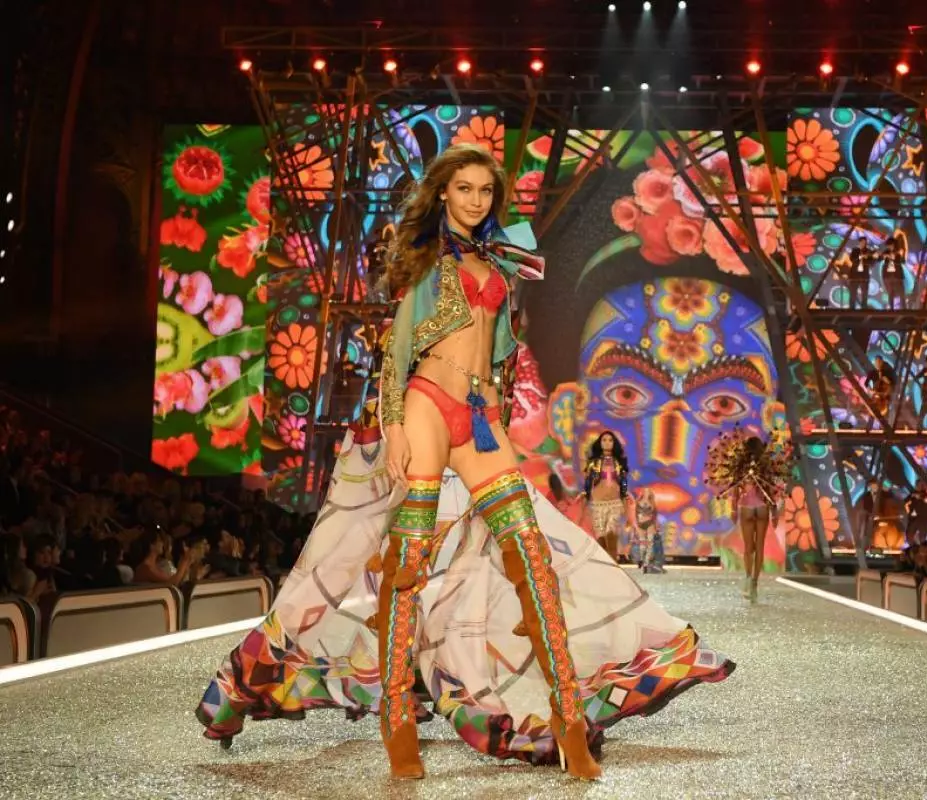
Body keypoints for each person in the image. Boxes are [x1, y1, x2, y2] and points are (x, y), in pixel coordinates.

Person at [195, 144, 734, 781]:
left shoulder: (498, 259)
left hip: (480, 415)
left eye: (485, 191)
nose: (476, 200)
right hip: (425, 402)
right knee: (409, 563)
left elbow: (500, 351)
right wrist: (393, 427)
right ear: (444, 193)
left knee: (532, 554)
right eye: (466, 189)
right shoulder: (425, 255)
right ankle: (398, 723)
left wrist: (499, 411)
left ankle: (568, 718)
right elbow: (397, 351)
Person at [705, 430, 789, 604]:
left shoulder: (740, 466)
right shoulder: (766, 466)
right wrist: (774, 513)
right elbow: (773, 491)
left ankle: (748, 577)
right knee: (759, 547)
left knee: (748, 547)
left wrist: (734, 510)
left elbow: (735, 489)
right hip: (763, 508)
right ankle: (755, 584)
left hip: (746, 508)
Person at [581, 431, 629, 562]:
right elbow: (587, 485)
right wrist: (583, 505)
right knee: (601, 539)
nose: (607, 442)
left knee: (611, 534)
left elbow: (624, 484)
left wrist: (625, 504)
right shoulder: (593, 463)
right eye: (604, 440)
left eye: (610, 440)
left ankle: (615, 568)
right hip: (597, 506)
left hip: (614, 504)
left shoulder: (619, 463)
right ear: (600, 443)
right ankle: (607, 569)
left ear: (614, 444)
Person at [631, 486, 665, 574]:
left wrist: (656, 525)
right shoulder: (637, 502)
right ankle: (641, 559)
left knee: (650, 544)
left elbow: (655, 515)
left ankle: (646, 564)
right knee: (642, 544)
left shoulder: (652, 502)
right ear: (642, 492)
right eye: (645, 491)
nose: (647, 492)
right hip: (640, 524)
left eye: (649, 491)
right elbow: (634, 514)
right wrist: (635, 525)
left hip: (650, 524)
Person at [880, 233, 906, 310]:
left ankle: (904, 310)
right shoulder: (885, 252)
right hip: (888, 276)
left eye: (890, 245)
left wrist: (895, 257)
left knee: (901, 294)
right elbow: (879, 258)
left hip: (897, 276)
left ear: (894, 245)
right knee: (890, 294)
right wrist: (883, 256)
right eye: (888, 245)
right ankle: (891, 310)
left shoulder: (899, 252)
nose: (889, 247)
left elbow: (903, 261)